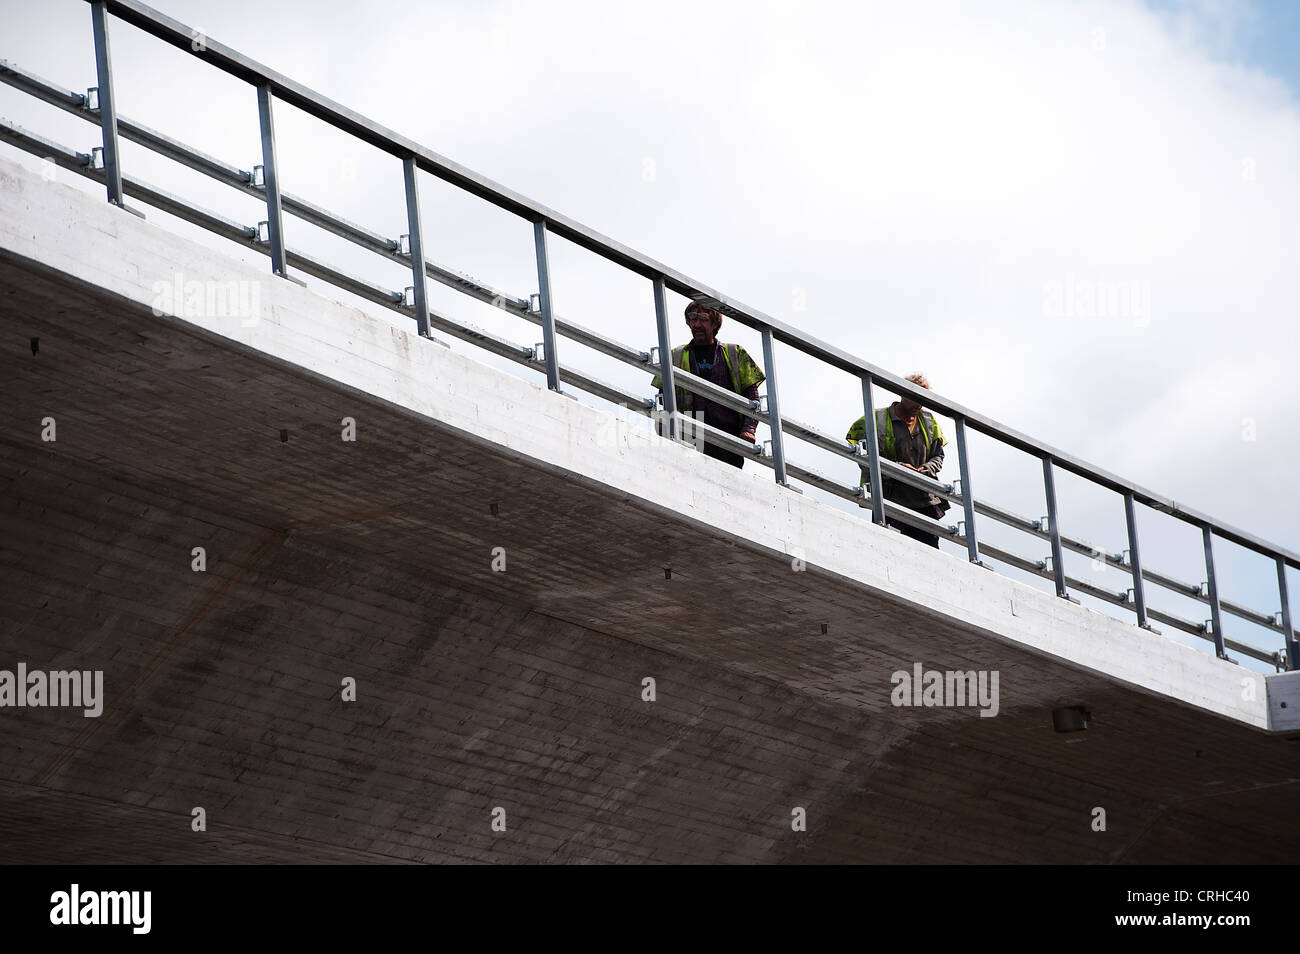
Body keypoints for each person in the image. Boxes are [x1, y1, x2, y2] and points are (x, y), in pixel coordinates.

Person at [651, 303, 765, 468]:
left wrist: (749, 429)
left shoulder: (735, 353)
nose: (696, 324)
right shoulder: (675, 356)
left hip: (727, 439)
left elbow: (753, 398)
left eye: (703, 319)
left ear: (715, 324)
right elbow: (663, 397)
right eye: (692, 318)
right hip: (688, 437)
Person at [846, 372, 949, 548]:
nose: (919, 403)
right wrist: (896, 470)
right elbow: (864, 458)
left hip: (924, 501)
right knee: (889, 552)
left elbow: (938, 456)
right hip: (890, 501)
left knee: (928, 557)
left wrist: (922, 470)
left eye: (923, 398)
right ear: (902, 393)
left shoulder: (928, 421)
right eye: (915, 396)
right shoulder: (876, 419)